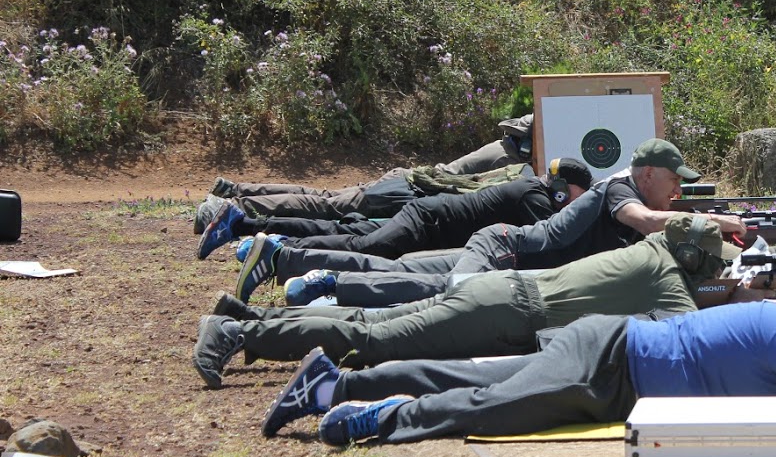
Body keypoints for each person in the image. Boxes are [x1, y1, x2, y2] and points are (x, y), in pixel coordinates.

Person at [253, 257, 776, 443]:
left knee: (468, 375)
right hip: (613, 366)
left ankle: (334, 382)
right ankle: (374, 417)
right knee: (493, 405)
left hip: (612, 351)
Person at [194, 215, 740, 390]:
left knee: (366, 319)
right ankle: (237, 335)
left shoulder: (652, 249)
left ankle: (250, 317)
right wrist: (739, 299)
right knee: (371, 341)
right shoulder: (669, 278)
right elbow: (691, 338)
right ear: (693, 259)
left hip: (495, 294)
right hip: (502, 312)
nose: (712, 274)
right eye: (711, 266)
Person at [239, 138, 748, 306]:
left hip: (502, 250)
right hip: (505, 253)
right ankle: (331, 290)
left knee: (405, 270)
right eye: (674, 181)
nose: (679, 191)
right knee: (449, 297)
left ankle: (284, 257)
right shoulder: (621, 189)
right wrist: (712, 222)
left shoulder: (637, 197)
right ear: (649, 173)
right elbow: (648, 220)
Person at [195, 157, 594, 261]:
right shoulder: (534, 197)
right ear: (562, 189)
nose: (578, 202)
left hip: (427, 221)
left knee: (345, 231)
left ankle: (243, 224)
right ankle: (277, 250)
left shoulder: (532, 191)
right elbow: (553, 240)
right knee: (364, 249)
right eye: (578, 194)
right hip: (426, 222)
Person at [193, 114, 536, 228]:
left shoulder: (502, 147)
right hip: (405, 190)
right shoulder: (507, 160)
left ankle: (236, 190)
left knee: (324, 198)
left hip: (404, 182)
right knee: (323, 206)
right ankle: (233, 207)